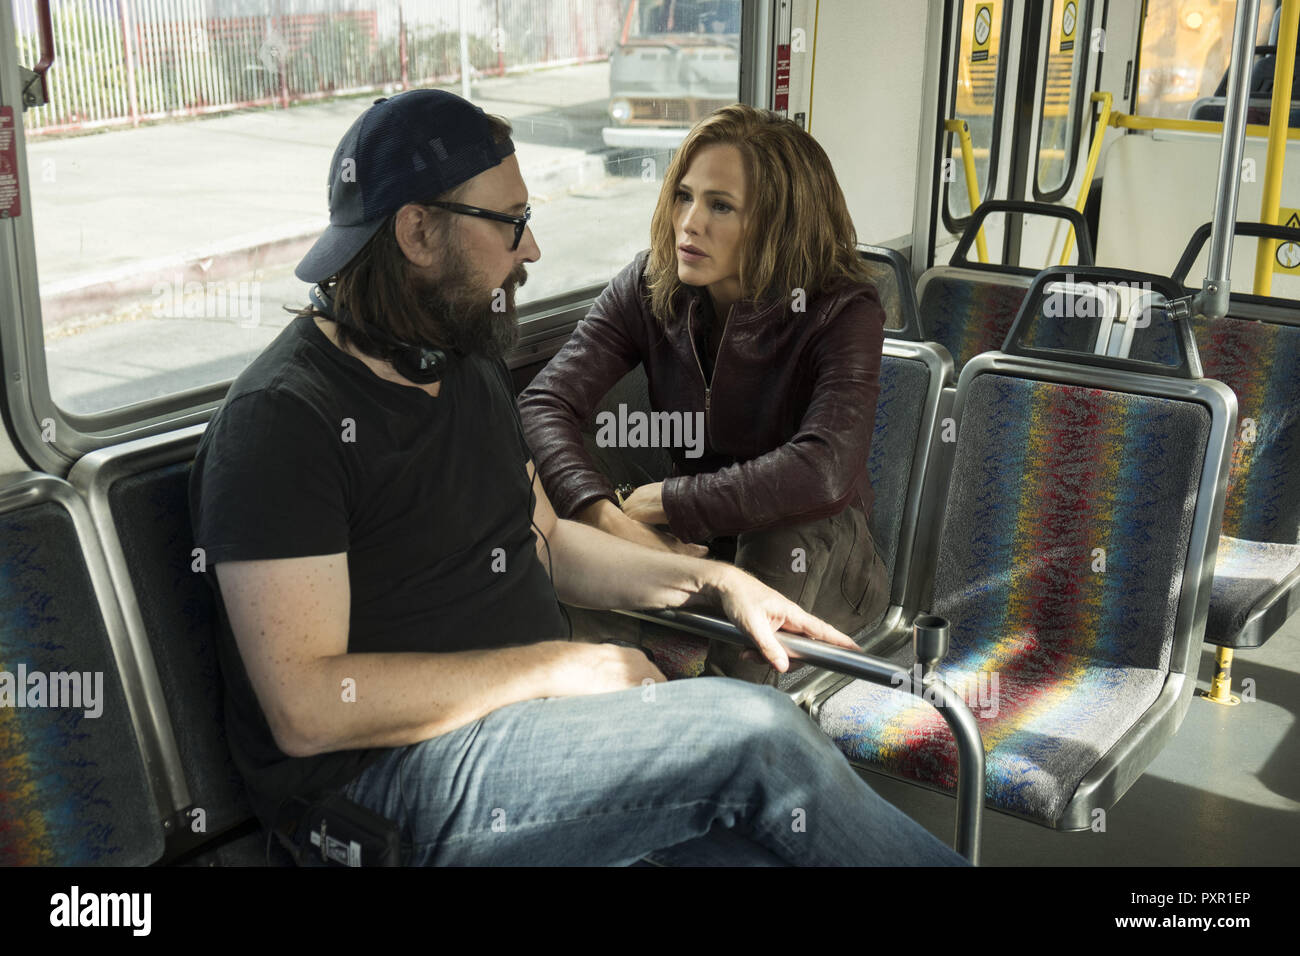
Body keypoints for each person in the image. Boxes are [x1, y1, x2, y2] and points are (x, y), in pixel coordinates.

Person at [188, 88, 963, 867]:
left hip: (534, 731)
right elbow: (309, 708)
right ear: (418, 232)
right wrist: (561, 666)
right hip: (391, 782)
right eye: (511, 223)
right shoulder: (283, 420)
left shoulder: (463, 364)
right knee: (759, 737)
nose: (531, 251)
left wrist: (715, 586)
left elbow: (550, 544)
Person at [518, 104, 889, 685]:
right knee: (555, 510)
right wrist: (607, 518)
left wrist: (670, 501)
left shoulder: (841, 310)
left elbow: (822, 470)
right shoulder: (648, 286)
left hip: (819, 557)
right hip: (695, 546)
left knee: (783, 526)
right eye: (683, 196)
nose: (689, 223)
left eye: (721, 206)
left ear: (777, 222)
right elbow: (543, 404)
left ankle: (724, 718)